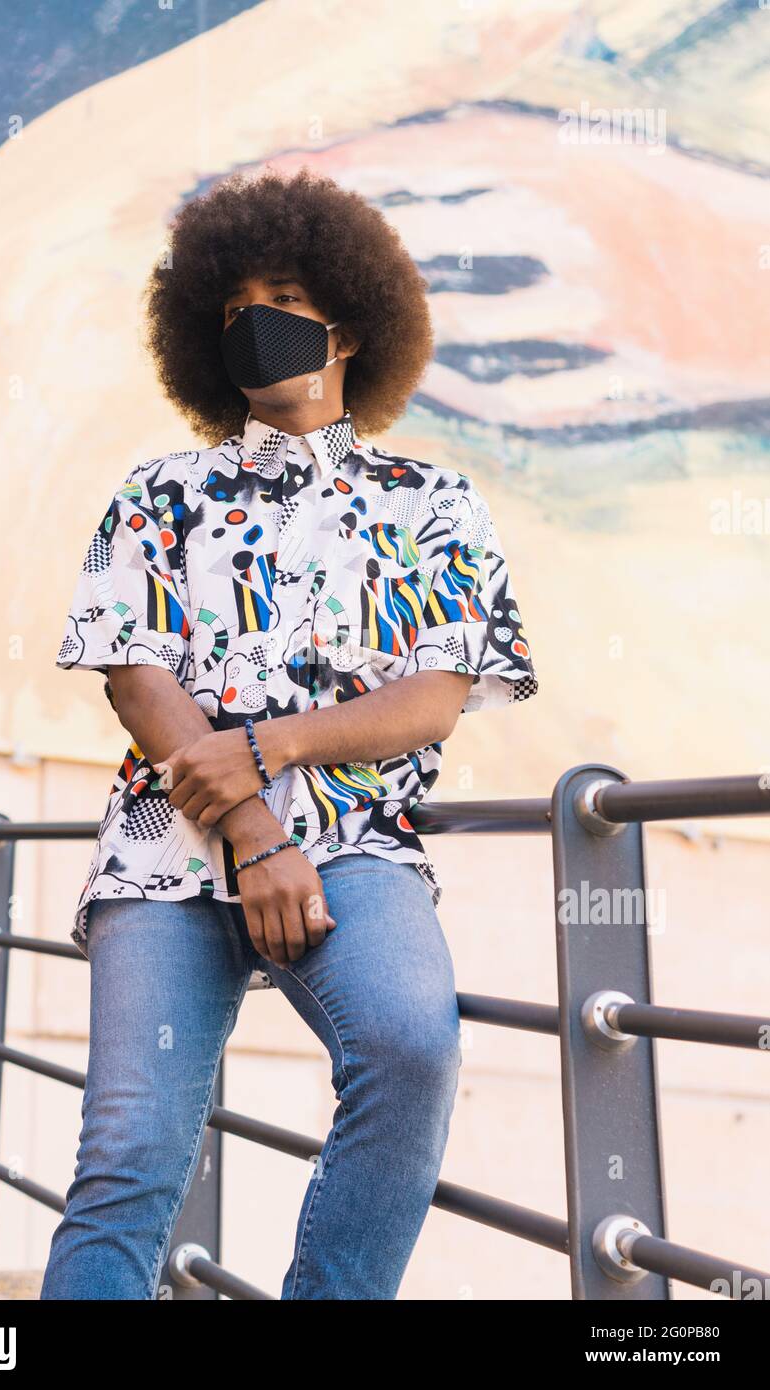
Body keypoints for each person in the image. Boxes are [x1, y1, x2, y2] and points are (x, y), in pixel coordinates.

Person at [41, 166, 538, 1301]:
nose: (250, 328)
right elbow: (136, 675)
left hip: (356, 842)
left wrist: (270, 750)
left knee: (410, 1049)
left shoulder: (433, 503)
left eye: (277, 298)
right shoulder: (157, 491)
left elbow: (434, 692)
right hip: (169, 851)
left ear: (347, 322)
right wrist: (253, 826)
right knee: (126, 1155)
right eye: (228, 314)